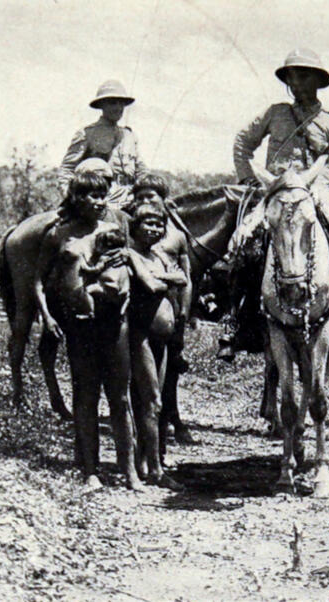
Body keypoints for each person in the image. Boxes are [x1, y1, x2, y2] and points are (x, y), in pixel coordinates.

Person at [217, 48, 329, 361]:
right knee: (244, 240)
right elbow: (242, 142)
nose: (296, 82)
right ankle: (236, 318)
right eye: (291, 76)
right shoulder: (274, 113)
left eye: (303, 75)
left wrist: (318, 183)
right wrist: (250, 180)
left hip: (316, 189)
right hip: (276, 190)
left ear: (317, 80)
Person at [129, 173, 196, 445]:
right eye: (140, 197)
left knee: (170, 370)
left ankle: (169, 421)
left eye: (151, 196)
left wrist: (184, 313)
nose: (146, 201)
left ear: (163, 199)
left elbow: (186, 278)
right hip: (143, 313)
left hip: (170, 311)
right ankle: (145, 440)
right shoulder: (131, 231)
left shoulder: (176, 236)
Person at [126, 202, 186, 489]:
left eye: (158, 224)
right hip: (140, 336)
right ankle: (155, 469)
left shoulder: (157, 256)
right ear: (135, 227)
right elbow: (150, 287)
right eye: (147, 223)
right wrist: (165, 278)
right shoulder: (131, 254)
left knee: (153, 401)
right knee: (151, 400)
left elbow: (183, 278)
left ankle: (145, 462)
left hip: (161, 339)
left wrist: (159, 276)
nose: (154, 229)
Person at [34, 172, 126, 342]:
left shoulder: (112, 231)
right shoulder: (58, 234)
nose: (100, 202)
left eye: (103, 196)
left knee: (115, 367)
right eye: (94, 197)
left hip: (111, 316)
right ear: (79, 198)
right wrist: (47, 317)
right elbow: (39, 280)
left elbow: (125, 269)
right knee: (81, 367)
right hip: (76, 317)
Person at [59, 80, 144, 202]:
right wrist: (71, 197)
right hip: (101, 198)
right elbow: (67, 169)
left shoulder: (129, 136)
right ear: (102, 105)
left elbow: (141, 169)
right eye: (112, 103)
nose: (118, 108)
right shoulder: (87, 133)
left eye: (121, 103)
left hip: (130, 197)